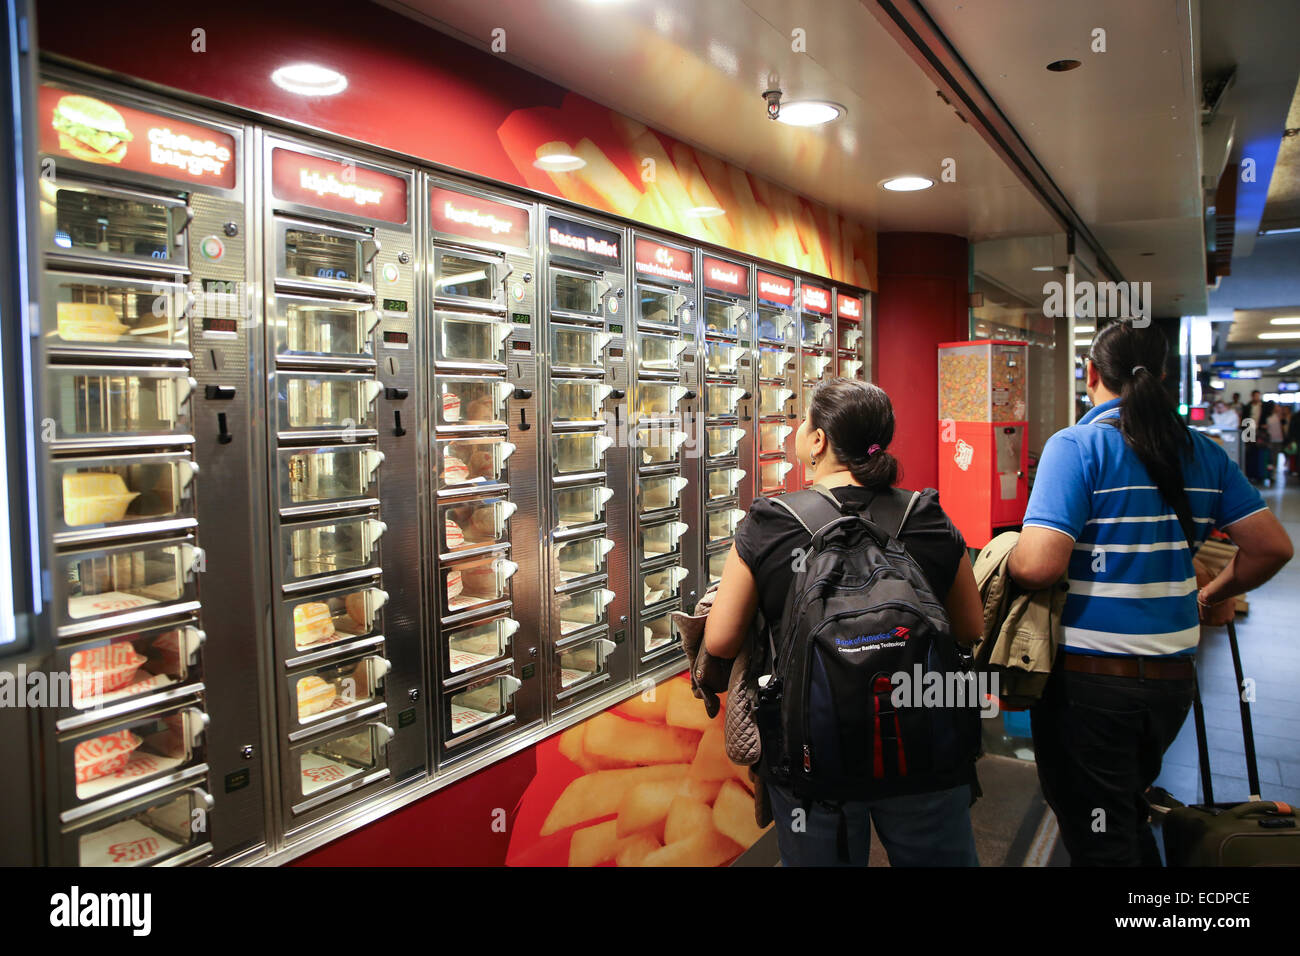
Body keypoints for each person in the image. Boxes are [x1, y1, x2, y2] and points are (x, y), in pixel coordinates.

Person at [1008, 321, 1293, 866]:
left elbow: (1039, 565)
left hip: (1089, 683)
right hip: (1170, 680)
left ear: (1090, 373)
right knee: (1123, 812)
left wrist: (1008, 553)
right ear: (1162, 376)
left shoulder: (1077, 445)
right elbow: (1271, 547)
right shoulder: (1202, 451)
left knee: (1099, 836)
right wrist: (1212, 596)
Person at [703, 379, 985, 866]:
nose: (797, 427)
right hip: (925, 748)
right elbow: (970, 627)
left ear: (818, 441)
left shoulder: (770, 522)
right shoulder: (926, 515)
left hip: (813, 760)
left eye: (804, 420)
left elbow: (722, 640)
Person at [1242, 389, 1265, 482]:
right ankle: (1250, 474)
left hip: (1260, 433)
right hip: (1249, 431)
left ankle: (1260, 474)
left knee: (1260, 454)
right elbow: (1244, 419)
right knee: (1250, 453)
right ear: (1252, 396)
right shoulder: (1247, 407)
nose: (1257, 398)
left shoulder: (1263, 407)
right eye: (1255, 396)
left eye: (1258, 396)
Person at [1262, 401, 1284, 486]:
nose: (1277, 407)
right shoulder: (1266, 417)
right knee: (1270, 459)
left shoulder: (1278, 416)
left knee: (1275, 459)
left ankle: (1273, 474)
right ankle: (1269, 474)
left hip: (1278, 440)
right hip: (1270, 440)